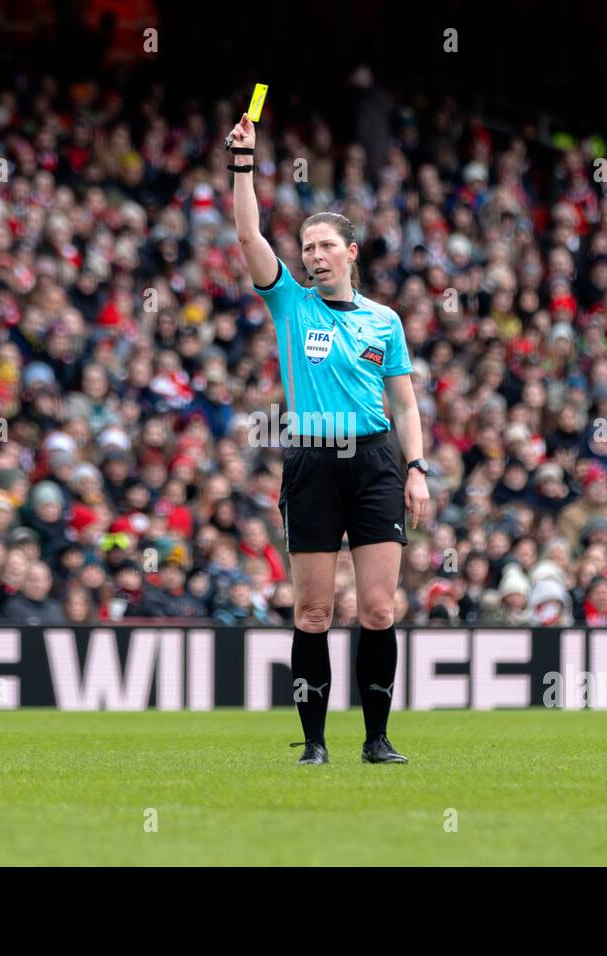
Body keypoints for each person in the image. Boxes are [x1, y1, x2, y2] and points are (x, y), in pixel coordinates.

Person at [228, 111, 429, 765]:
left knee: (376, 607)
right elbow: (248, 231)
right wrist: (242, 165)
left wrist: (418, 467)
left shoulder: (384, 321)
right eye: (307, 247)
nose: (312, 255)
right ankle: (314, 744)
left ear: (350, 254)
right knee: (313, 611)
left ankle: (377, 738)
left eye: (324, 247)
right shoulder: (290, 303)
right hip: (313, 461)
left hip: (374, 461)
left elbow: (403, 402)